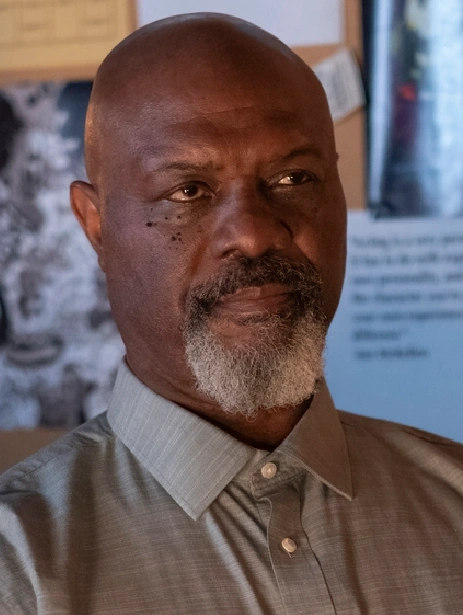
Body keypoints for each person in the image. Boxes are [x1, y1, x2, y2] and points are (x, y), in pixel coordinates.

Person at [1, 13, 462, 615]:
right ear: (96, 226)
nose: (252, 233)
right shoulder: (20, 571)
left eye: (294, 177)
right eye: (188, 190)